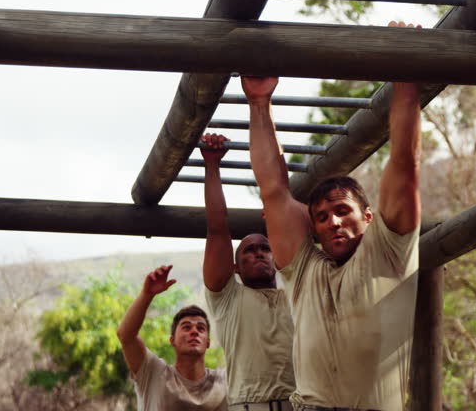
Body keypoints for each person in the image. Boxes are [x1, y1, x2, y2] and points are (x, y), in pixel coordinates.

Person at [243, 21, 424, 411]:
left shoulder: (389, 252)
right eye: (322, 217)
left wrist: (405, 72)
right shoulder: (306, 269)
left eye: (342, 211)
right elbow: (274, 189)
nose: (333, 222)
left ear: (369, 217)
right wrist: (259, 103)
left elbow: (405, 161)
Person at [199, 132, 296, 411]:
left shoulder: (296, 292)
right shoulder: (228, 298)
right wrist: (212, 165)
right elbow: (217, 228)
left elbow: (288, 215)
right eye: (248, 251)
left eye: (264, 248)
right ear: (234, 267)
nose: (257, 253)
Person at [117, 265, 228, 411]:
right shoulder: (154, 373)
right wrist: (147, 294)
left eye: (201, 328)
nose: (194, 331)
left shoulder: (224, 380)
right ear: (172, 340)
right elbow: (126, 335)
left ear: (208, 342)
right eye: (186, 327)